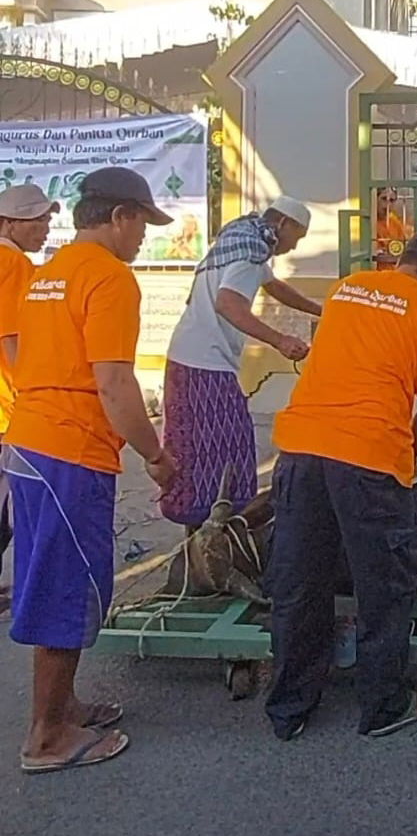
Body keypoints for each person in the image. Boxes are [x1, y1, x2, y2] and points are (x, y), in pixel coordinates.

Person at [3, 167, 176, 773]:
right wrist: (155, 454)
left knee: (51, 577)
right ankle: (46, 737)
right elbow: (114, 381)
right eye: (142, 226)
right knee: (63, 586)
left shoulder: (48, 274)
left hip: (29, 444)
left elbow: (21, 354)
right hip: (69, 454)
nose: (142, 240)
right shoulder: (109, 278)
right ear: (121, 216)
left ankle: (63, 704)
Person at [265, 231, 417, 741]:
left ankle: (289, 709)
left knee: (299, 581)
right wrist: (403, 456)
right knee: (384, 585)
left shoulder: (345, 289)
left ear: (400, 262)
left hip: (301, 450)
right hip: (369, 457)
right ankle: (382, 706)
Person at [161, 197, 319, 531]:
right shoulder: (250, 252)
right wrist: (280, 341)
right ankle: (209, 538)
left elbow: (275, 287)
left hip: (189, 357)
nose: (292, 247)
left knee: (203, 448)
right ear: (284, 225)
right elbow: (228, 304)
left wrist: (322, 311)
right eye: (297, 238)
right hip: (205, 363)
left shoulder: (242, 240)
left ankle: (204, 532)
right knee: (222, 453)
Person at [0, 184, 60, 615]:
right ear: (8, 223)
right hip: (6, 402)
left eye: (46, 219)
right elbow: (11, 335)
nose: (44, 227)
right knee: (6, 507)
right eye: (35, 220)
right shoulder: (14, 263)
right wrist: (30, 390)